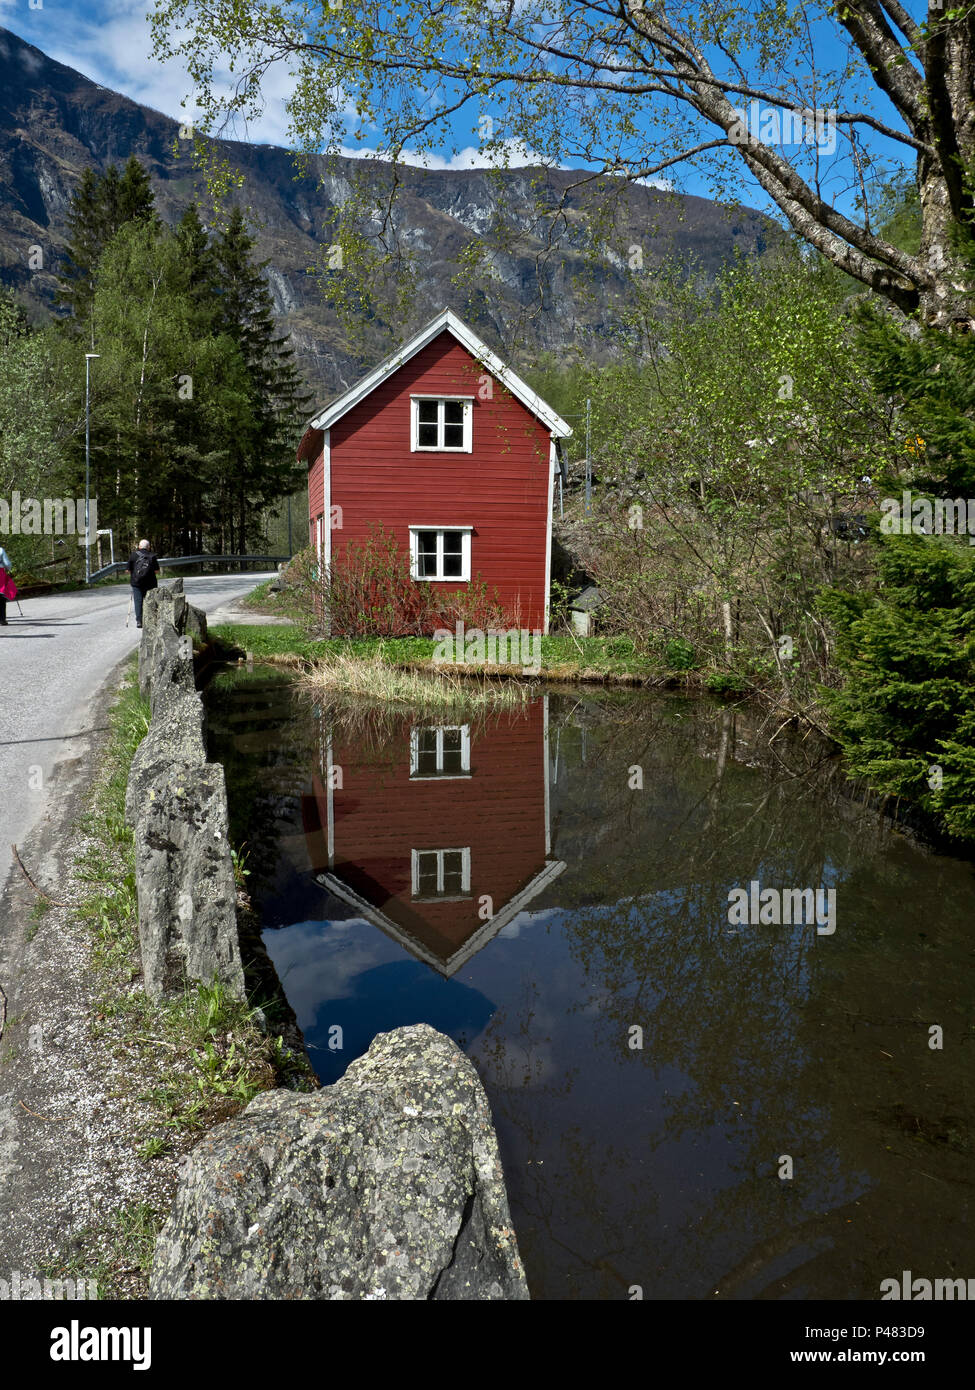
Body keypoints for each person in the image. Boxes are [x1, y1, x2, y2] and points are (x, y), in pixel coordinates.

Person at [126, 539, 160, 628]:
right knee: (151, 600)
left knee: (138, 602)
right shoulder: (152, 556)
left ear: (139, 546)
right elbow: (156, 571)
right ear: (148, 547)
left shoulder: (133, 555)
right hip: (151, 583)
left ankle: (139, 621)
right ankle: (152, 620)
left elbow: (128, 570)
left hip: (136, 583)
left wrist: (135, 574)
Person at [0, 544, 15, 626]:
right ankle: (2, 619)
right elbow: (7, 564)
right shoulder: (0, 550)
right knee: (1, 596)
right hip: (0, 573)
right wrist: (8, 568)